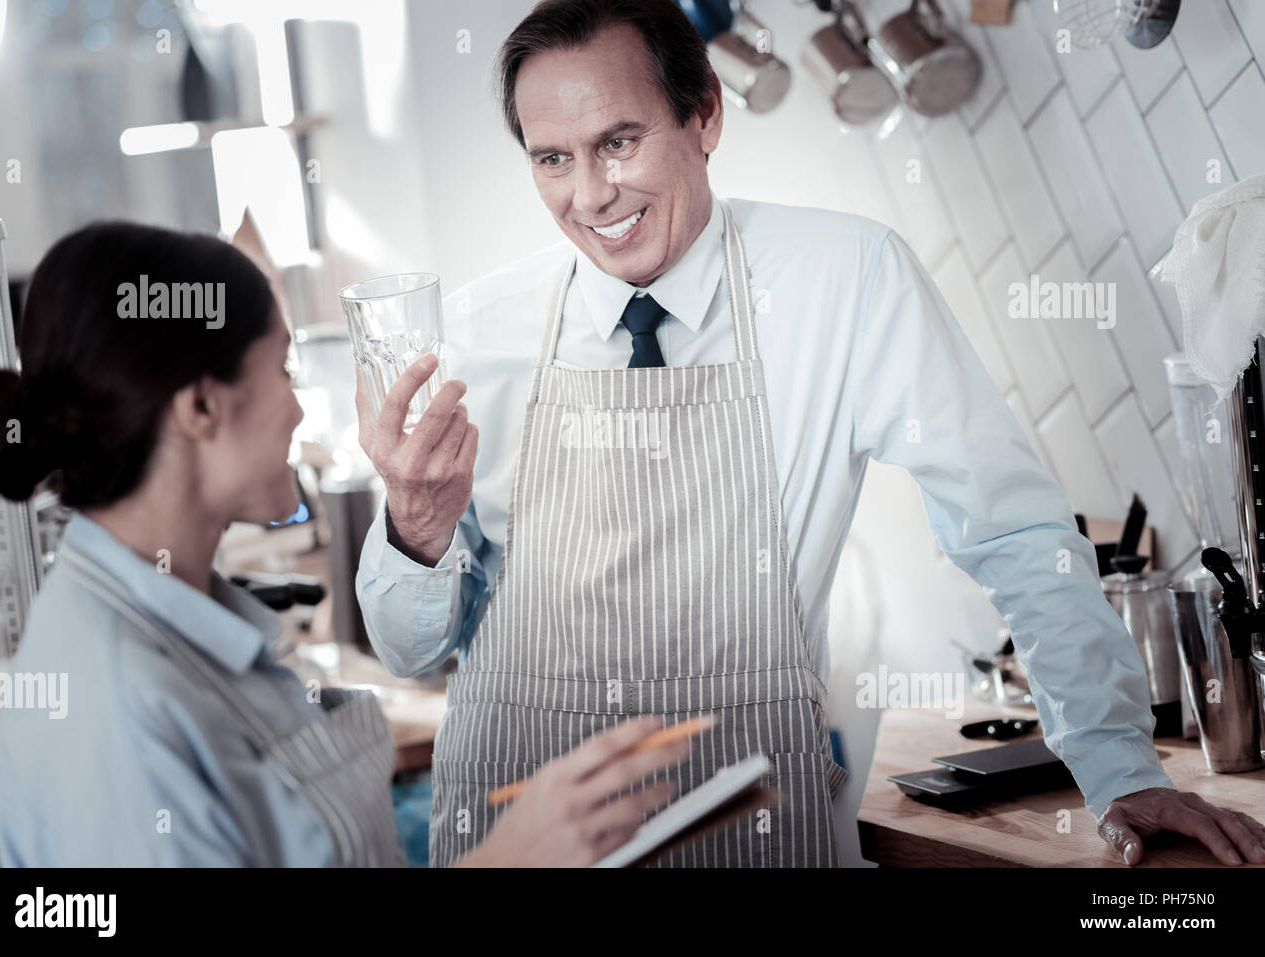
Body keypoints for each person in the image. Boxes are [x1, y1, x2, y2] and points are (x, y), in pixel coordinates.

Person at [355, 0, 1265, 868]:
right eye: (553, 159)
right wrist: (415, 529)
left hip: (751, 838)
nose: (591, 194)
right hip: (519, 842)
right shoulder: (477, 334)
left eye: (619, 142)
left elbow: (1014, 530)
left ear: (705, 113)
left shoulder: (847, 278)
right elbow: (408, 650)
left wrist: (1120, 767)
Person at [0, 220, 689, 867]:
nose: (297, 408)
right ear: (201, 406)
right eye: (282, 370)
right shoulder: (118, 718)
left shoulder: (187, 627)